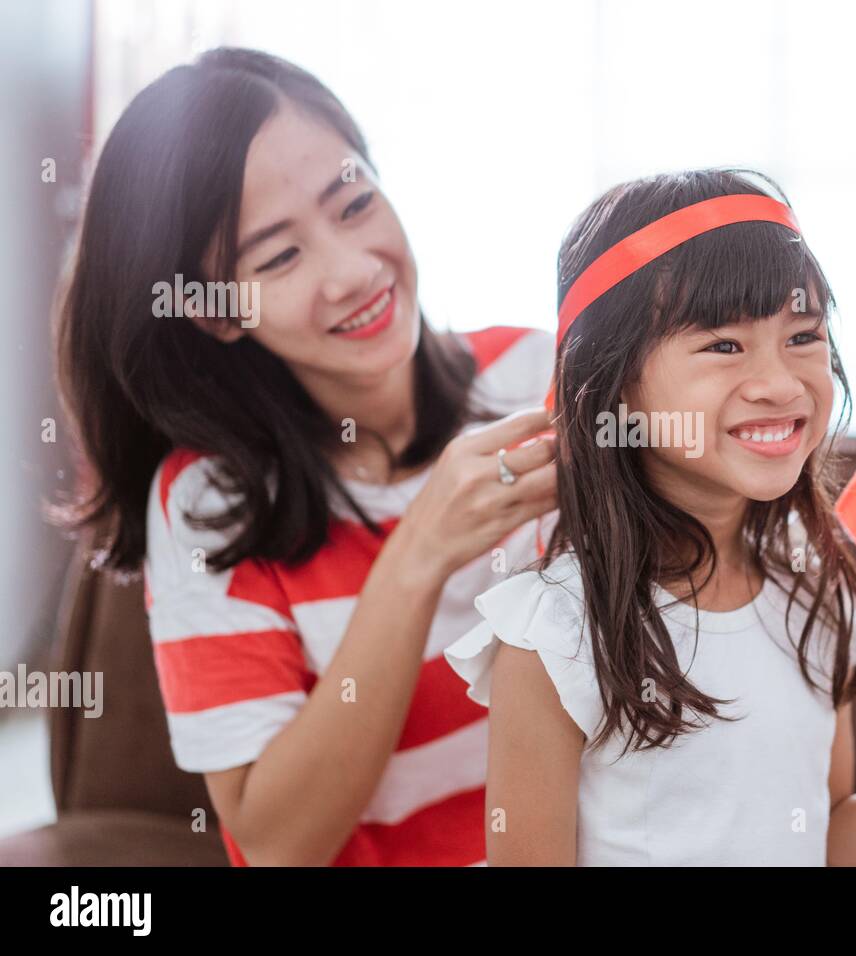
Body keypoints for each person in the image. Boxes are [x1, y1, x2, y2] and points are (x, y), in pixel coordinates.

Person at [50, 48, 556, 866]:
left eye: (354, 203)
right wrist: (416, 557)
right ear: (215, 315)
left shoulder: (544, 382)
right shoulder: (210, 506)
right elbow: (280, 843)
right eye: (280, 257)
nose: (353, 272)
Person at [445, 168, 856, 865]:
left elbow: (821, 842)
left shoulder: (816, 587)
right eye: (723, 346)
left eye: (803, 336)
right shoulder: (552, 633)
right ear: (614, 387)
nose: (780, 383)